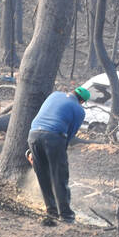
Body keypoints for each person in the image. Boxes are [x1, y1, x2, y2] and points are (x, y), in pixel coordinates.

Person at [26, 85, 90, 226]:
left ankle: (52, 211)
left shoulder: (54, 95)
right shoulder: (79, 110)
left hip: (33, 134)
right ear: (82, 101)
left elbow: (43, 115)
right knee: (59, 176)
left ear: (72, 91)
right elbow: (70, 134)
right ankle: (66, 216)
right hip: (54, 137)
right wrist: (59, 153)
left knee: (42, 175)